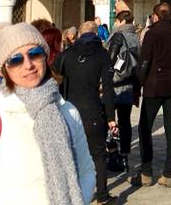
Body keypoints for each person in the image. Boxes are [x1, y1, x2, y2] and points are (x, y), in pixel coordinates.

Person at [0, 21, 96, 204]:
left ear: (45, 57)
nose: (28, 65)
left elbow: (86, 172)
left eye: (35, 54)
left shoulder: (67, 111)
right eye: (15, 60)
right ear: (4, 69)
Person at [54, 21, 116, 204]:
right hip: (92, 111)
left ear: (79, 34)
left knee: (71, 154)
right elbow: (108, 87)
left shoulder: (67, 54)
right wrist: (111, 117)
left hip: (68, 111)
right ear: (96, 34)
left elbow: (52, 76)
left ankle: (72, 195)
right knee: (98, 155)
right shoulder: (102, 54)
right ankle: (102, 197)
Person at [134, 2, 171, 187]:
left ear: (155, 16)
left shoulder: (152, 34)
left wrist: (141, 82)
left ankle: (146, 172)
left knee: (144, 128)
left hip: (153, 86)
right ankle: (168, 174)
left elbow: (144, 62)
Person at [106, 9, 140, 178]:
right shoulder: (136, 37)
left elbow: (110, 59)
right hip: (129, 84)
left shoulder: (117, 36)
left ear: (119, 21)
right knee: (125, 120)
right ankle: (125, 153)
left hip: (114, 84)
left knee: (109, 119)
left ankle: (112, 153)